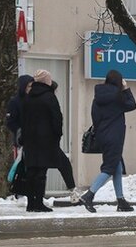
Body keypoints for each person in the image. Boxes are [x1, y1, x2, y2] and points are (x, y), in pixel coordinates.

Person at [7, 75, 81, 203]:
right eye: (29, 86)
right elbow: (12, 121)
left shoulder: (34, 99)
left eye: (32, 85)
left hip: (38, 140)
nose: (30, 88)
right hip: (32, 140)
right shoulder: (20, 101)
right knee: (31, 170)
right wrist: (21, 133)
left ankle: (35, 200)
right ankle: (26, 196)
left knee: (42, 169)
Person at [79, 70, 136, 213]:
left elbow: (95, 117)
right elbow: (132, 105)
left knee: (116, 166)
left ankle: (121, 200)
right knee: (109, 168)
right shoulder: (118, 97)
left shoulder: (97, 97)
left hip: (102, 136)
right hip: (114, 137)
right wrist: (126, 89)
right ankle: (89, 195)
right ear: (119, 82)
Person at [20, 69, 63, 212]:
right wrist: (57, 135)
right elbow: (57, 118)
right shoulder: (49, 97)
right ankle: (38, 202)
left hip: (30, 140)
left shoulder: (28, 97)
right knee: (41, 172)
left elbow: (23, 119)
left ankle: (30, 203)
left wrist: (23, 137)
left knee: (31, 171)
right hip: (46, 139)